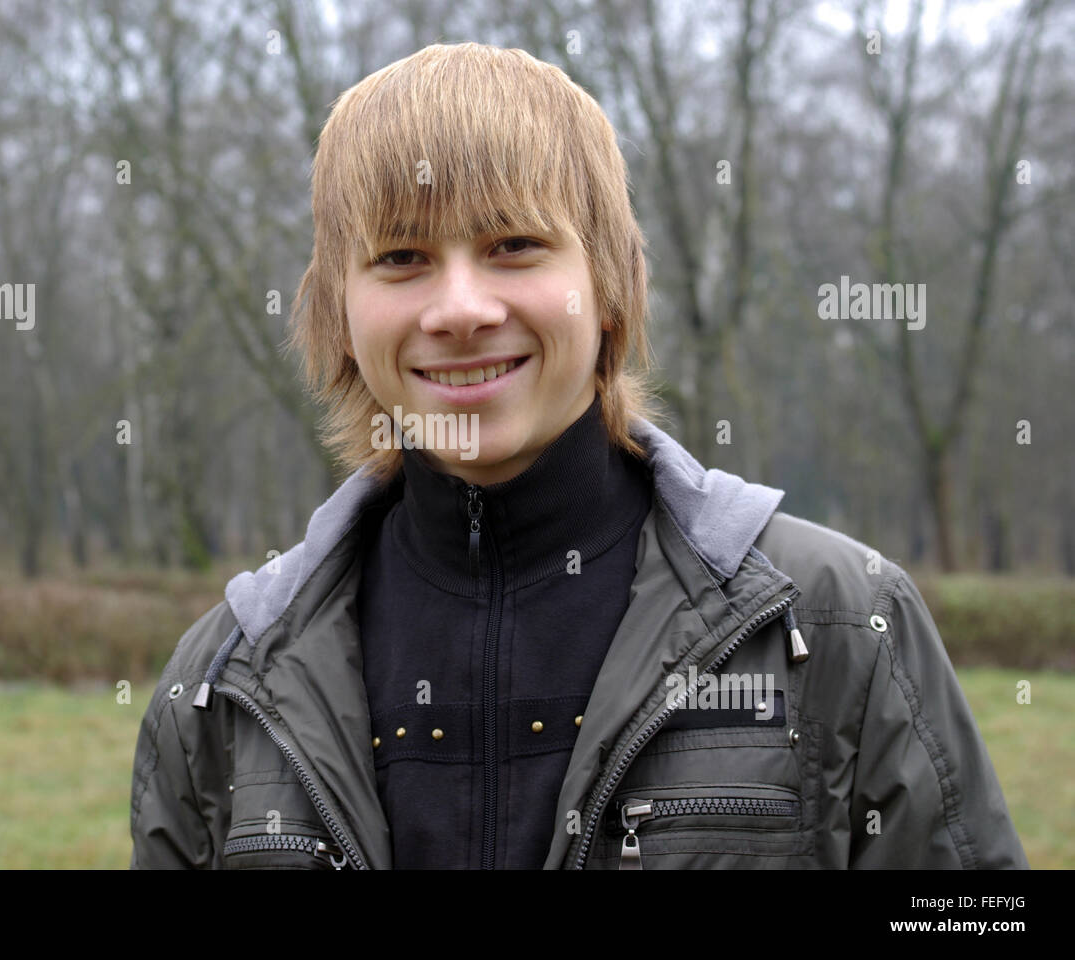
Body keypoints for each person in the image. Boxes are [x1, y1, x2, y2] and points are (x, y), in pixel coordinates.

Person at [129, 42, 1027, 869]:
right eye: (402, 257)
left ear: (607, 285)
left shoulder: (838, 624)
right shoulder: (221, 690)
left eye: (512, 245)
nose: (460, 308)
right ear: (337, 314)